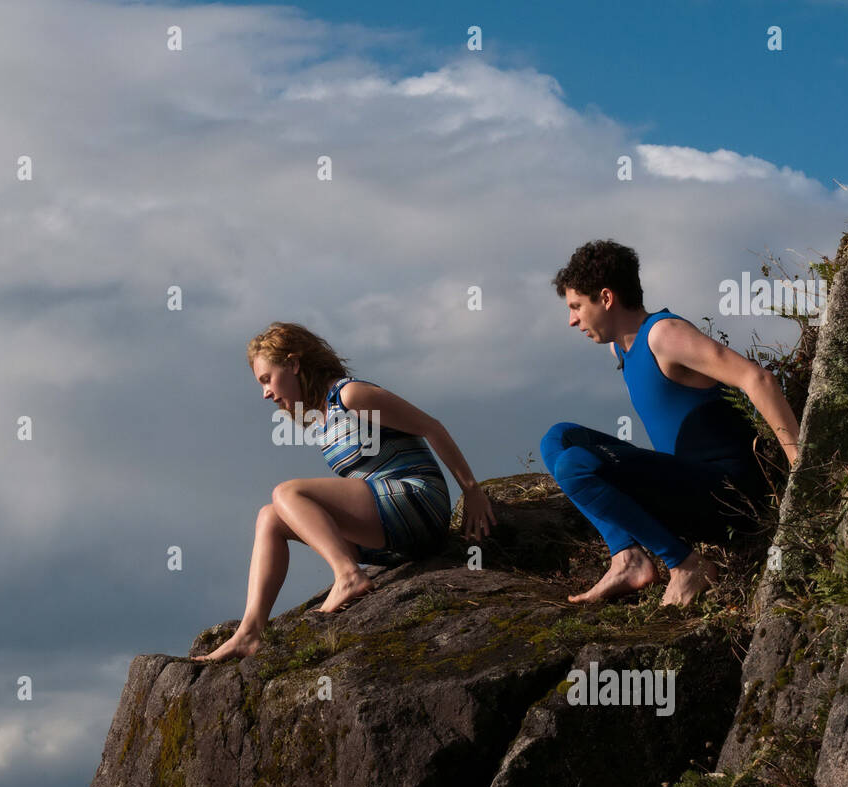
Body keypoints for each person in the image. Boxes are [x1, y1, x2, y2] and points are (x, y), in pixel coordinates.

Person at [194, 322, 496, 662]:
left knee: (287, 492)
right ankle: (250, 633)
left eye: (267, 379)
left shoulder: (350, 395)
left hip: (416, 500)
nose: (265, 393)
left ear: (294, 364)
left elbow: (430, 426)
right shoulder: (319, 419)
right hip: (393, 532)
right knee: (269, 517)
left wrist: (471, 491)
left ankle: (349, 575)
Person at [541, 240, 799, 607]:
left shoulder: (663, 334)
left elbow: (758, 379)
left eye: (577, 307)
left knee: (574, 466)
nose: (572, 320)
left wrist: (800, 463)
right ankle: (627, 558)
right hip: (687, 485)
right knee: (558, 438)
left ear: (606, 297)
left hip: (728, 496)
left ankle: (686, 566)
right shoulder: (621, 348)